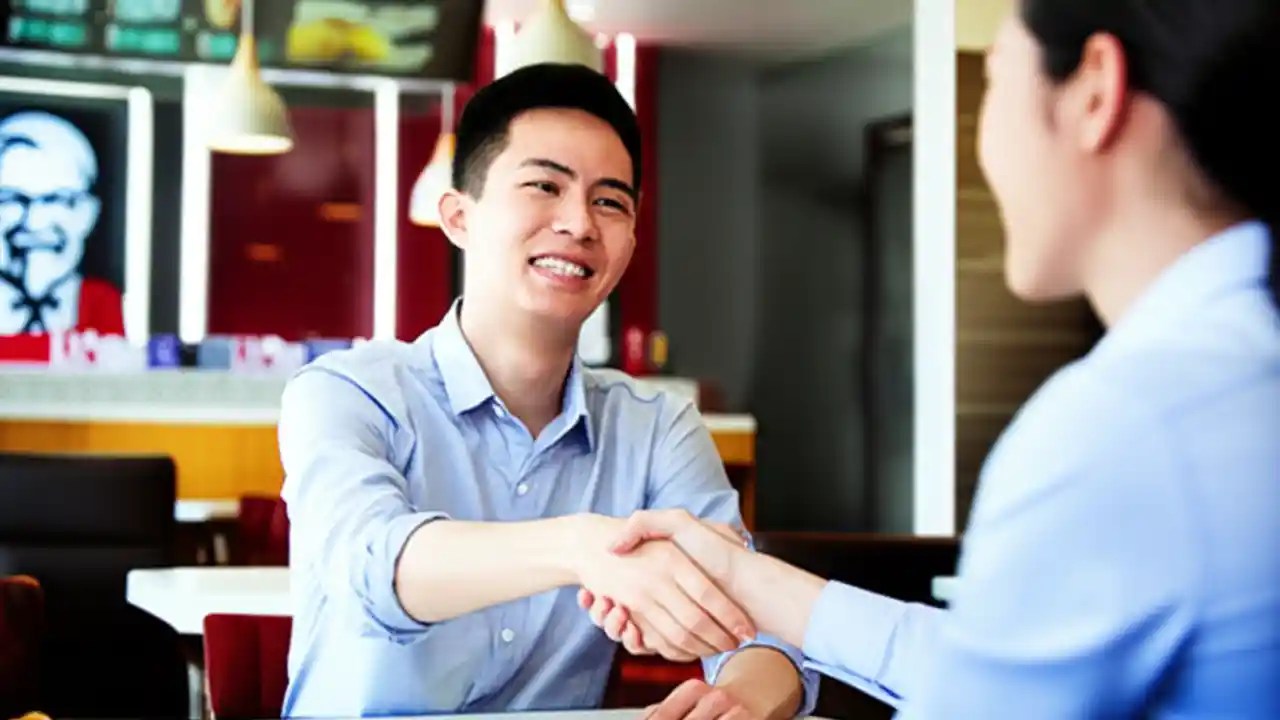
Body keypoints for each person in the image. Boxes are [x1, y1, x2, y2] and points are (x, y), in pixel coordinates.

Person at [583, 1, 1280, 717]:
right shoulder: (1232, 372)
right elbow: (993, 653)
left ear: (1094, 93)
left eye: (998, 79)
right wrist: (748, 578)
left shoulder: (1123, 424)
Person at [277, 63, 817, 718]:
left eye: (610, 201)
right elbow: (375, 571)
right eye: (544, 186)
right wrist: (583, 549)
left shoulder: (656, 429)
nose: (580, 223)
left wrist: (742, 699)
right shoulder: (345, 393)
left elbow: (760, 624)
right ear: (458, 217)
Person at [0, 111, 123, 336]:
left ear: (88, 212)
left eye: (56, 200)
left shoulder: (104, 302)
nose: (34, 223)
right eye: (10, 199)